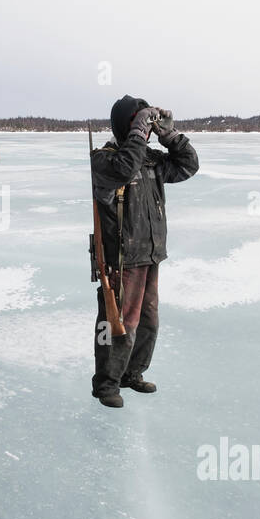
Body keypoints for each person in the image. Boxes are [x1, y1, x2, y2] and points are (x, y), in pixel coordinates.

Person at [91, 95, 199, 408]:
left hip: (150, 253)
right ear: (127, 126)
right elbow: (125, 169)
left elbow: (188, 166)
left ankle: (132, 374)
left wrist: (170, 136)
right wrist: (137, 133)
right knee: (116, 324)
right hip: (122, 258)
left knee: (149, 322)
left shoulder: (150, 159)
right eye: (139, 124)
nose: (146, 131)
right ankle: (106, 384)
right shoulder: (104, 160)